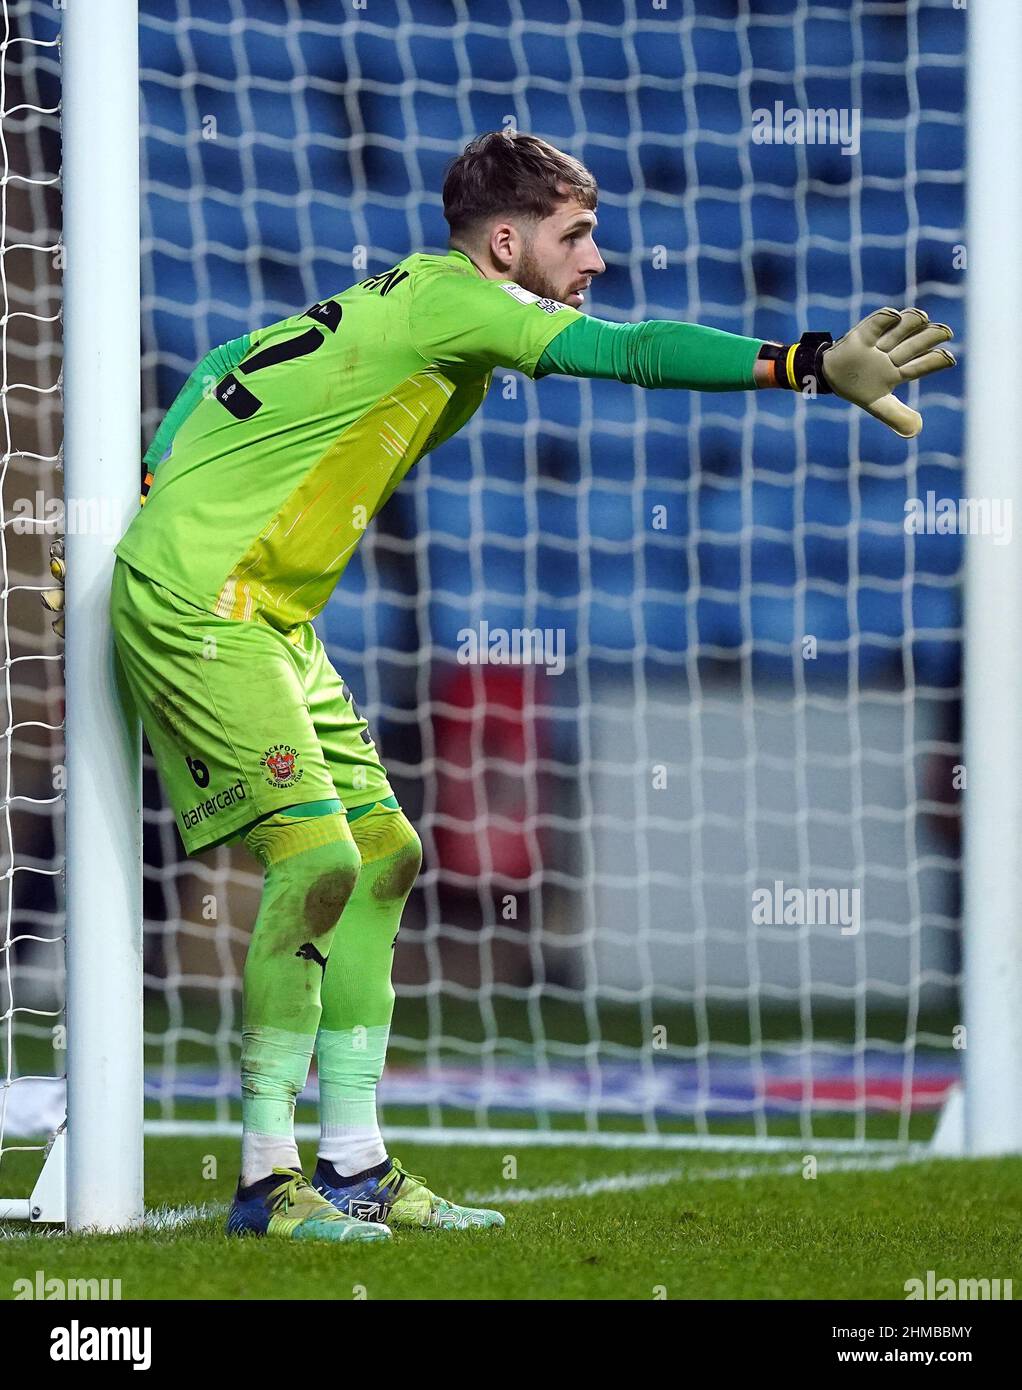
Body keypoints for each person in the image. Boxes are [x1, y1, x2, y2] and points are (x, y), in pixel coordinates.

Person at [46, 130, 953, 1242]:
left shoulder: (409, 303)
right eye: (578, 236)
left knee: (386, 857)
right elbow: (630, 353)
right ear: (508, 242)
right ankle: (263, 1179)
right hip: (201, 605)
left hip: (272, 613)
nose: (597, 259)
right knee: (321, 857)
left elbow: (213, 363)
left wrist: (151, 475)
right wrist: (803, 362)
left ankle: (355, 1160)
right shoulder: (458, 306)